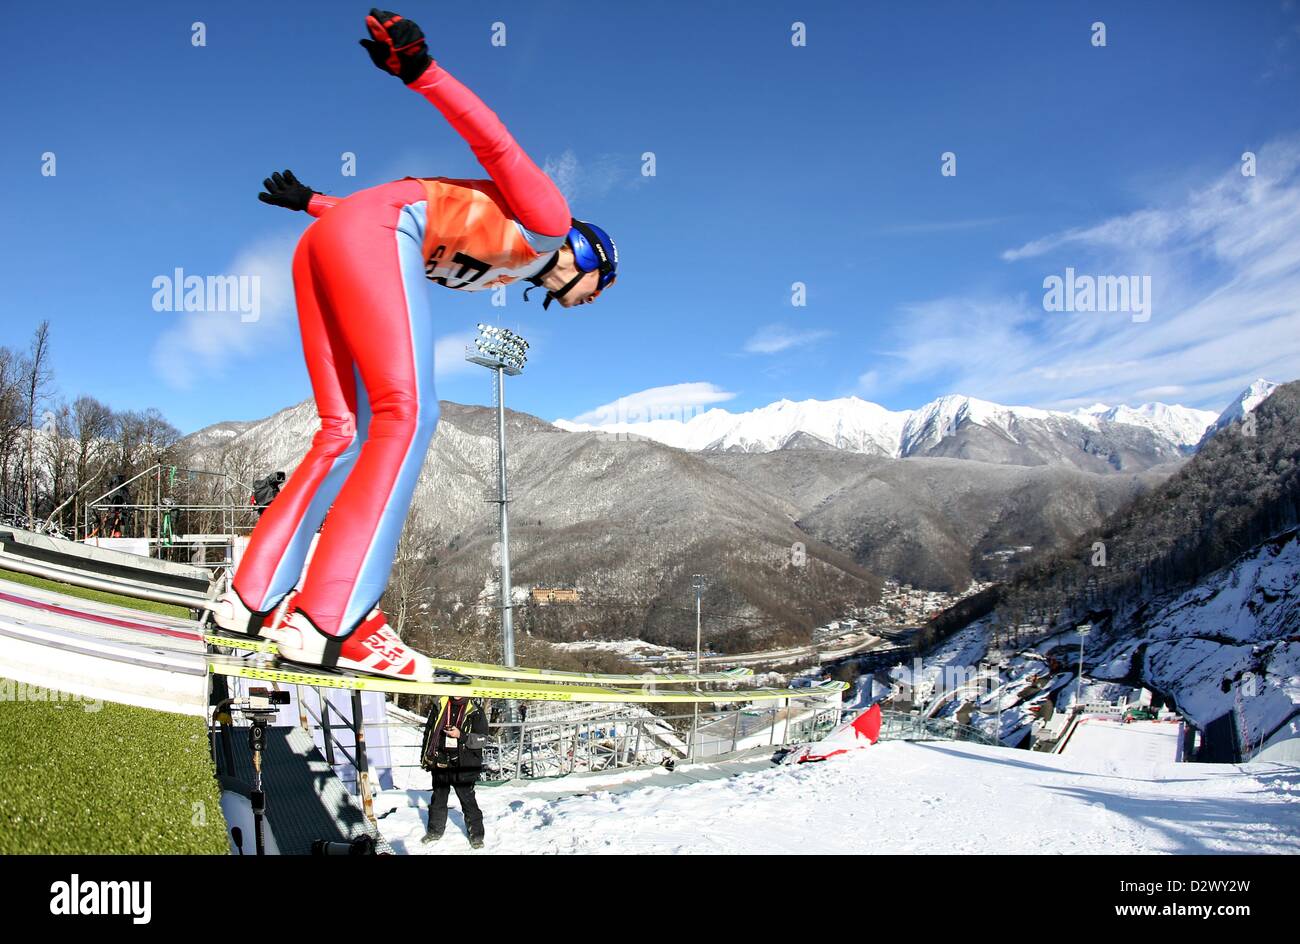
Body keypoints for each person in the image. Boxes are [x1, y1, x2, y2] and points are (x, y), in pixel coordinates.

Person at [207, 9, 618, 679]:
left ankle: (252, 601)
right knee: (408, 415)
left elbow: (397, 207)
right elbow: (498, 148)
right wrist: (425, 73)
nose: (595, 297)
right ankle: (337, 620)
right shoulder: (548, 224)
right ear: (587, 251)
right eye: (602, 282)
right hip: (363, 235)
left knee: (341, 432)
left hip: (327, 241)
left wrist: (312, 203)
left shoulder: (507, 260)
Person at [420, 695, 490, 848]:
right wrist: (425, 757)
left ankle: (477, 836)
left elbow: (483, 740)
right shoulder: (440, 705)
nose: (457, 692)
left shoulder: (475, 711)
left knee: (468, 801)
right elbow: (429, 732)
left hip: (464, 764)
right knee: (438, 799)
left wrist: (461, 735)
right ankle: (435, 831)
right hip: (441, 761)